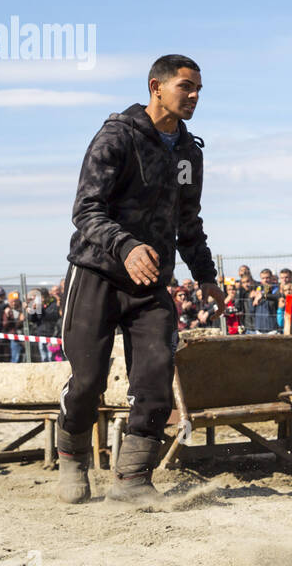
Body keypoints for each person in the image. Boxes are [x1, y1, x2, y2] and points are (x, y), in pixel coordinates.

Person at [56, 55, 225, 506]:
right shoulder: (116, 137)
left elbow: (188, 221)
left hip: (151, 283)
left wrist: (205, 275)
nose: (193, 96)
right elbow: (86, 210)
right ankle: (72, 456)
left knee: (154, 379)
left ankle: (132, 480)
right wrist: (126, 246)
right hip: (96, 272)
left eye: (198, 90)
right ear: (156, 86)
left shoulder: (189, 154)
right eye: (185, 87)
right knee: (88, 379)